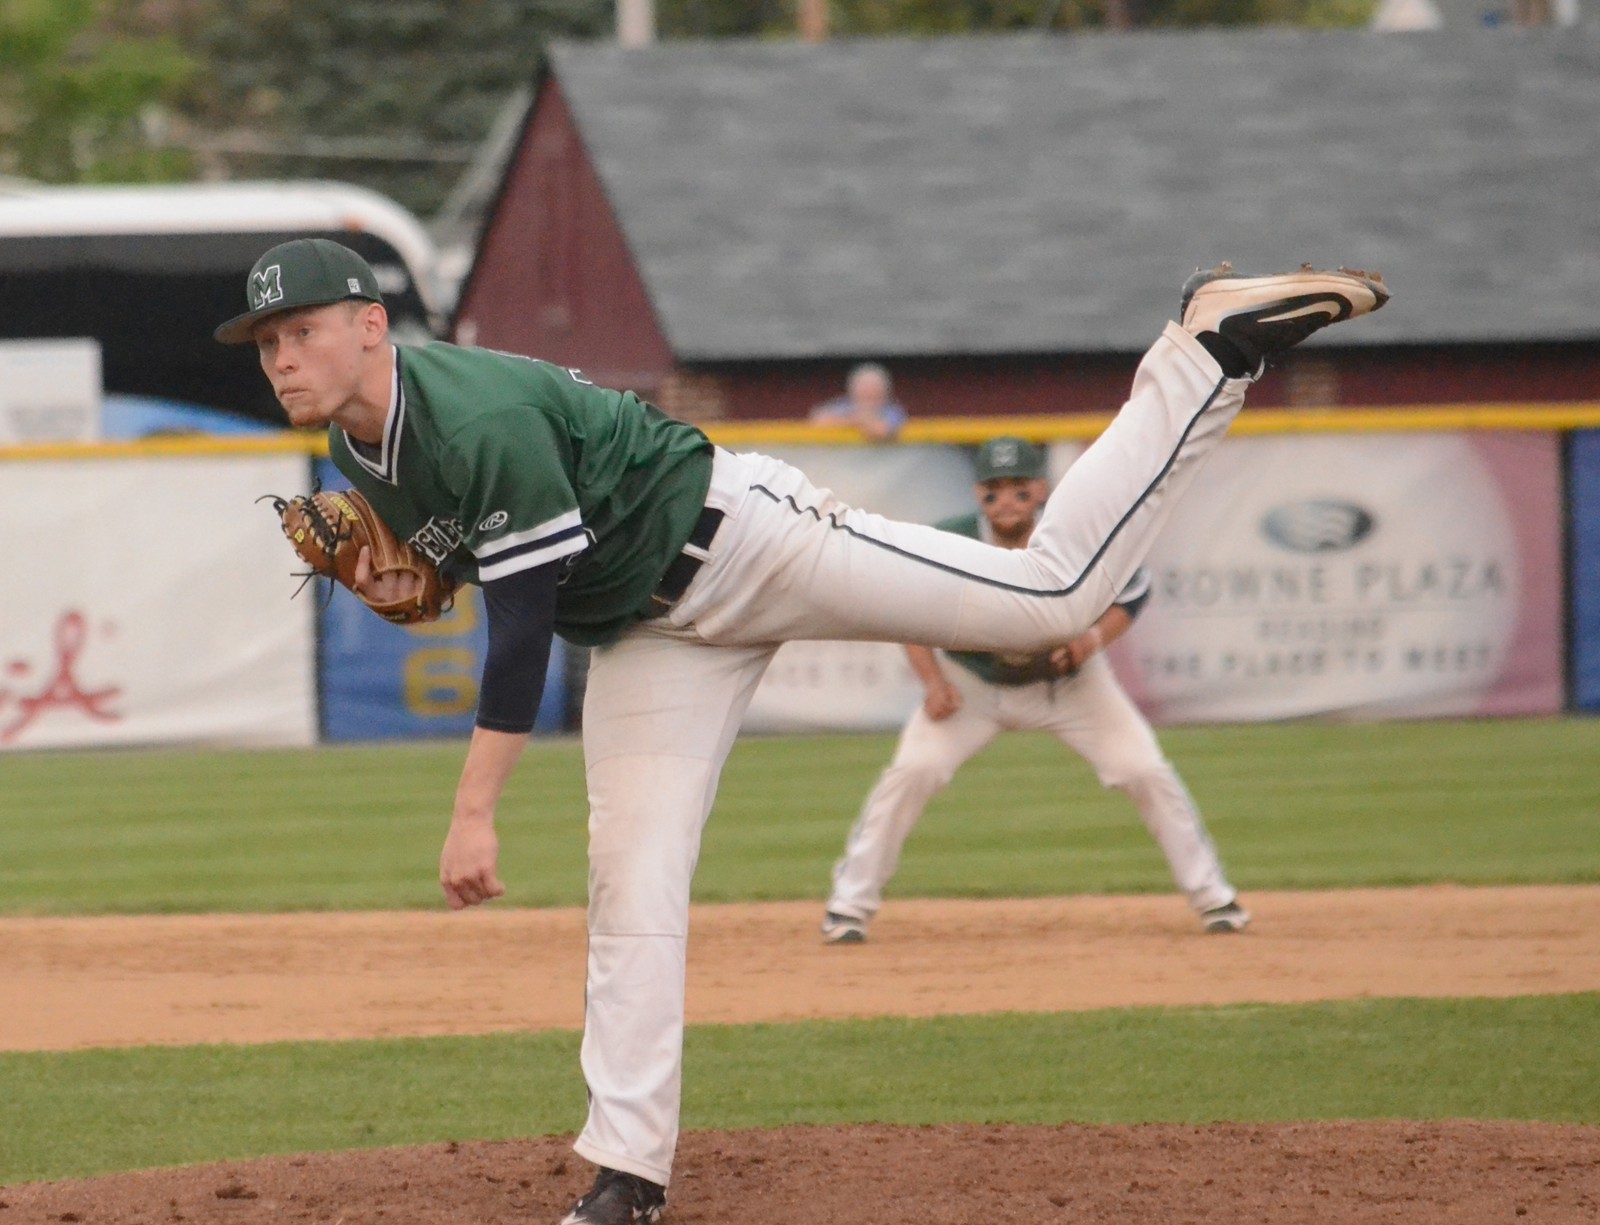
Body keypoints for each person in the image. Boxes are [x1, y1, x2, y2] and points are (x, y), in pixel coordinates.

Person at [213, 238, 1386, 1225]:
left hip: (746, 542)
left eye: (299, 331)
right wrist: (423, 575)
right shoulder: (355, 449)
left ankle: (1203, 352)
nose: (281, 358)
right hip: (647, 635)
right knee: (631, 875)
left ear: (370, 325)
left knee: (1053, 598)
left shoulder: (477, 414)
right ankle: (627, 1171)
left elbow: (519, 633)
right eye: (266, 344)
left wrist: (473, 810)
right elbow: (487, 565)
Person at [820, 435, 1248, 949]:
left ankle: (1214, 897)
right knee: (914, 771)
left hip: (1070, 686)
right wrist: (933, 682)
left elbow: (1134, 591)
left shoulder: (1072, 537)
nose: (1006, 500)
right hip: (972, 684)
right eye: (994, 489)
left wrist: (1091, 641)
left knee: (1143, 771)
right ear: (977, 494)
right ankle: (849, 906)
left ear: (1041, 490)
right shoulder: (952, 541)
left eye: (1018, 488)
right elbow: (904, 613)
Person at [808, 360, 907, 441]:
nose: (869, 392)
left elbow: (882, 431)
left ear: (885, 390)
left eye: (874, 388)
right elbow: (818, 420)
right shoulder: (845, 405)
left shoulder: (892, 410)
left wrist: (853, 421)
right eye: (864, 388)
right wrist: (857, 421)